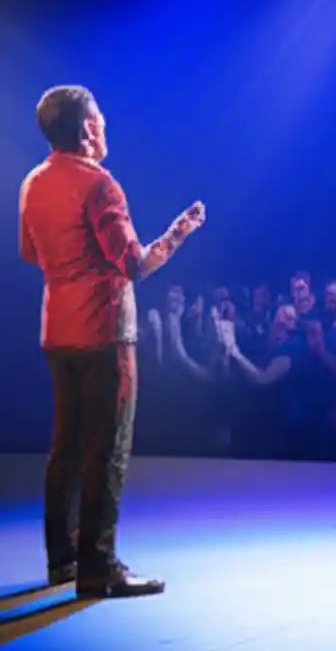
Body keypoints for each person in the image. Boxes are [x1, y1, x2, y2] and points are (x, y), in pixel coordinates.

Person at [18, 85, 206, 598]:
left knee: (65, 447)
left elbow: (29, 251)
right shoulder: (100, 186)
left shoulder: (32, 183)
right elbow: (134, 265)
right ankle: (98, 568)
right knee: (107, 450)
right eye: (100, 118)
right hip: (104, 332)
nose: (106, 126)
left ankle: (63, 560)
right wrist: (176, 236)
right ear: (86, 129)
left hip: (57, 329)